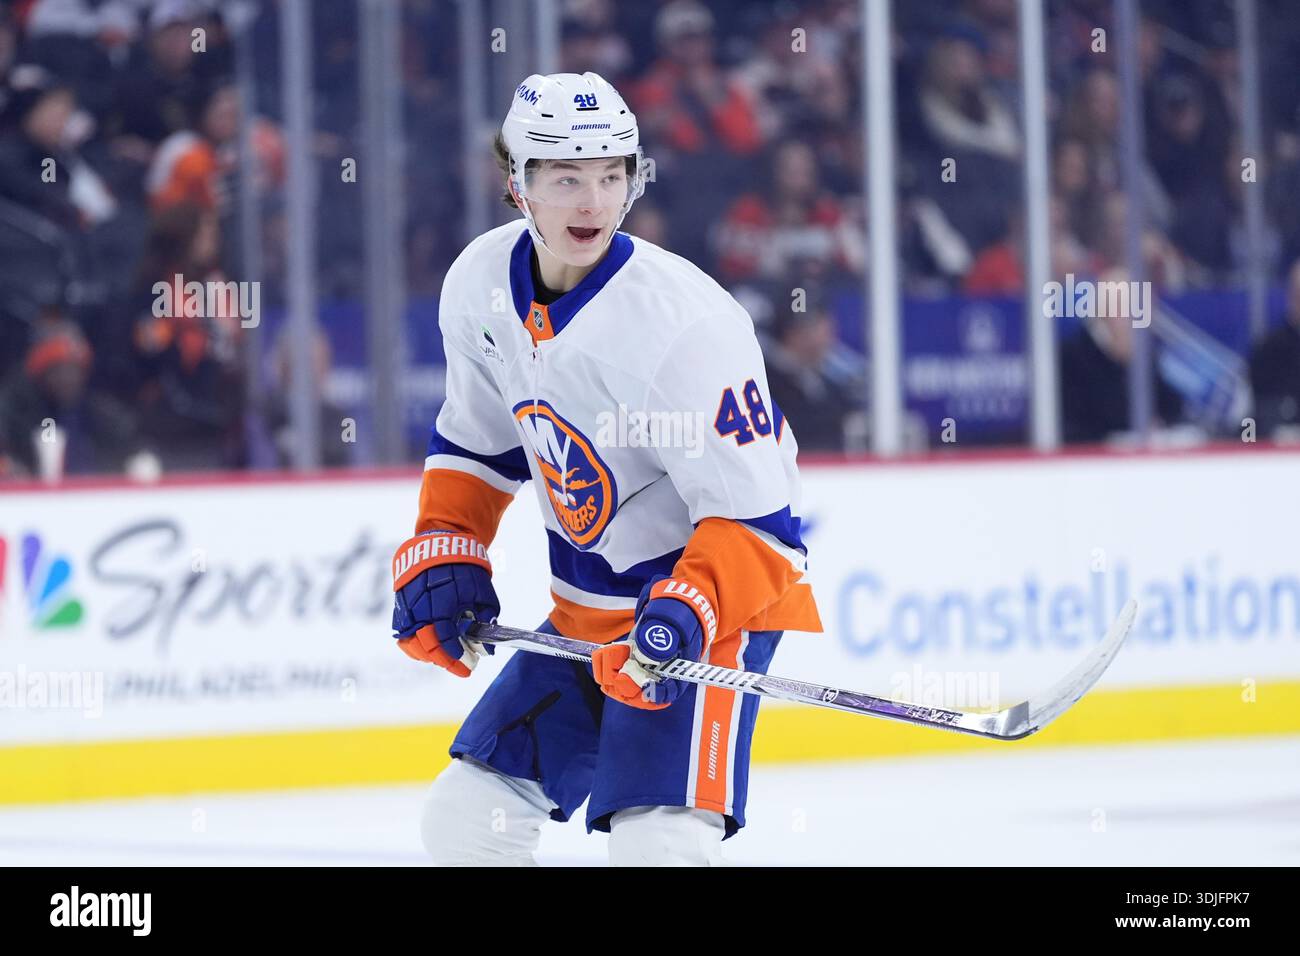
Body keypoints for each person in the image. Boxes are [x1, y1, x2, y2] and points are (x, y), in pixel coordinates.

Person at [393, 72, 821, 866]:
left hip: (711, 614)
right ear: (516, 186)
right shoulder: (480, 285)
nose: (592, 202)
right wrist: (447, 544)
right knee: (464, 822)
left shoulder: (688, 328)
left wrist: (686, 613)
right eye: (565, 178)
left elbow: (765, 528)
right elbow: (479, 446)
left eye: (610, 176)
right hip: (588, 616)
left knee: (657, 845)